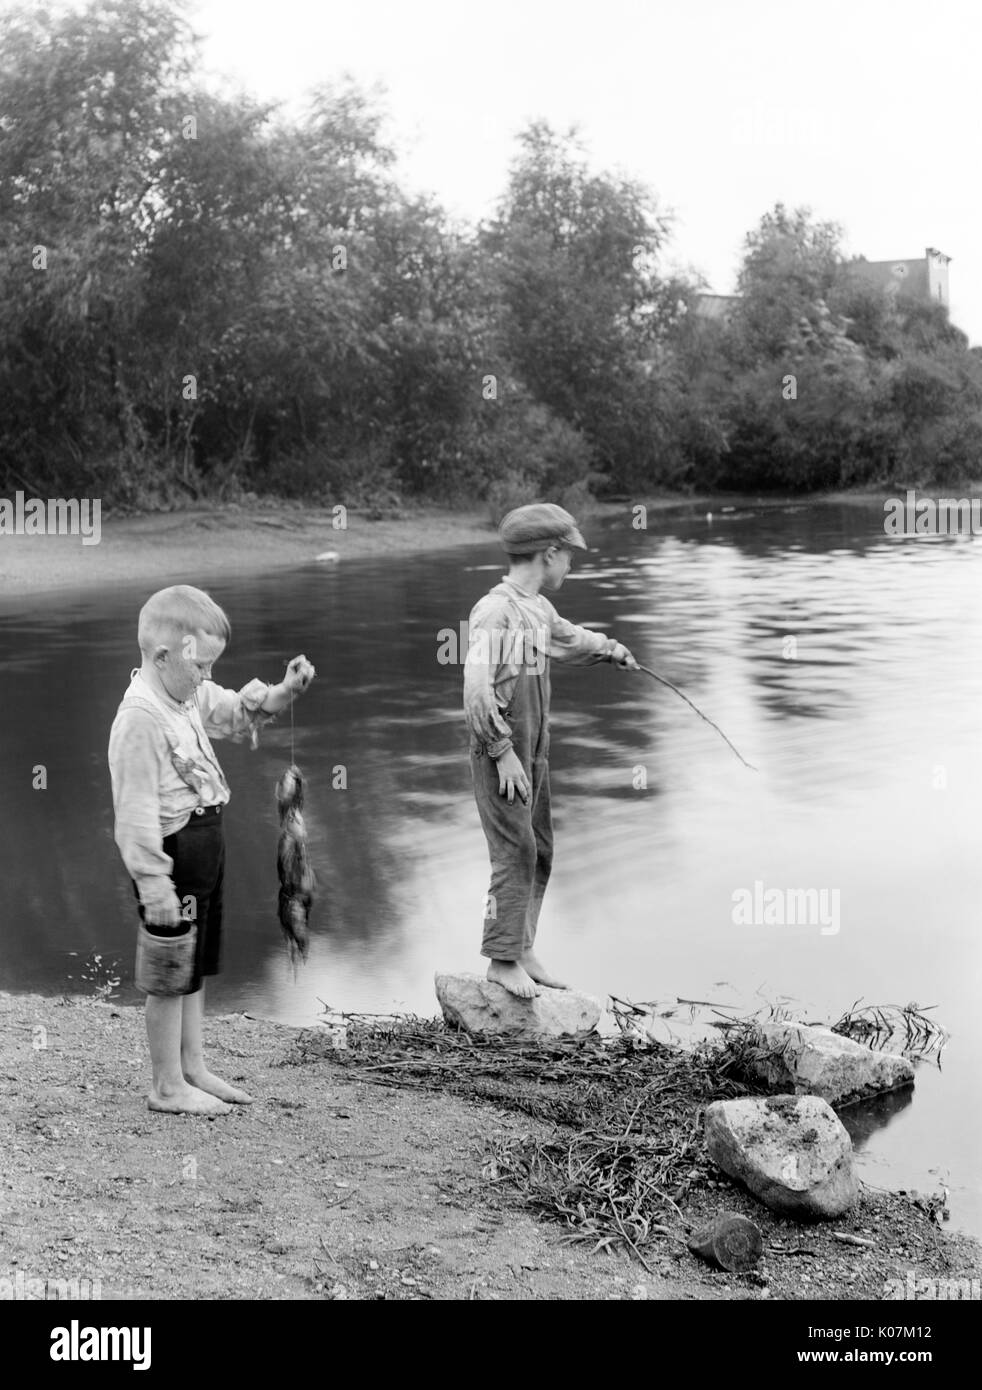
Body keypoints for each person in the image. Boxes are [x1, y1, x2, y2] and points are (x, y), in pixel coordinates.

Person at [108, 585, 315, 1116]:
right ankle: (165, 1085)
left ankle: (192, 1066)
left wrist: (285, 690)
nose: (207, 676)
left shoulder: (187, 695)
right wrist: (154, 884)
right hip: (171, 857)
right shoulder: (140, 719)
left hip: (205, 848)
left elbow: (237, 711)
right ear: (162, 656)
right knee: (169, 973)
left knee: (193, 965)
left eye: (211, 666)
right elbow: (134, 816)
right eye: (201, 665)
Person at [463, 503, 638, 999]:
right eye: (569, 556)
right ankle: (501, 959)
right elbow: (475, 688)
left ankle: (522, 947)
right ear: (549, 553)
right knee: (514, 851)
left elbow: (568, 640)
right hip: (501, 753)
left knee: (539, 848)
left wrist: (609, 649)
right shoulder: (495, 611)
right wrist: (501, 750)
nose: (571, 566)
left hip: (533, 750)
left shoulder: (537, 609)